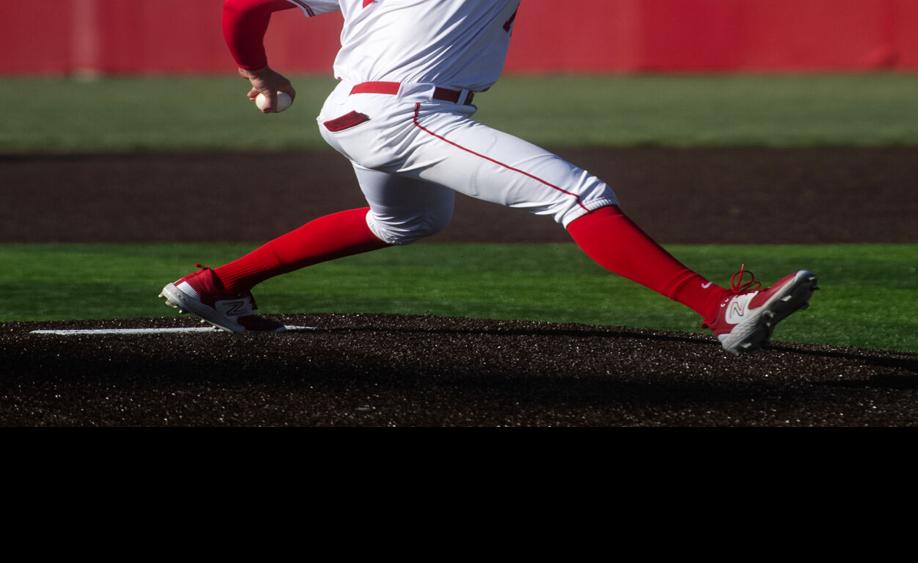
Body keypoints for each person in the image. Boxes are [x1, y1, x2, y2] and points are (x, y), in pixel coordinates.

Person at [162, 0, 817, 355]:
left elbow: (242, 5)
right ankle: (720, 308)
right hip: (406, 111)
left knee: (408, 220)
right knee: (577, 194)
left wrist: (257, 72)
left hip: (356, 109)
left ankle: (218, 286)